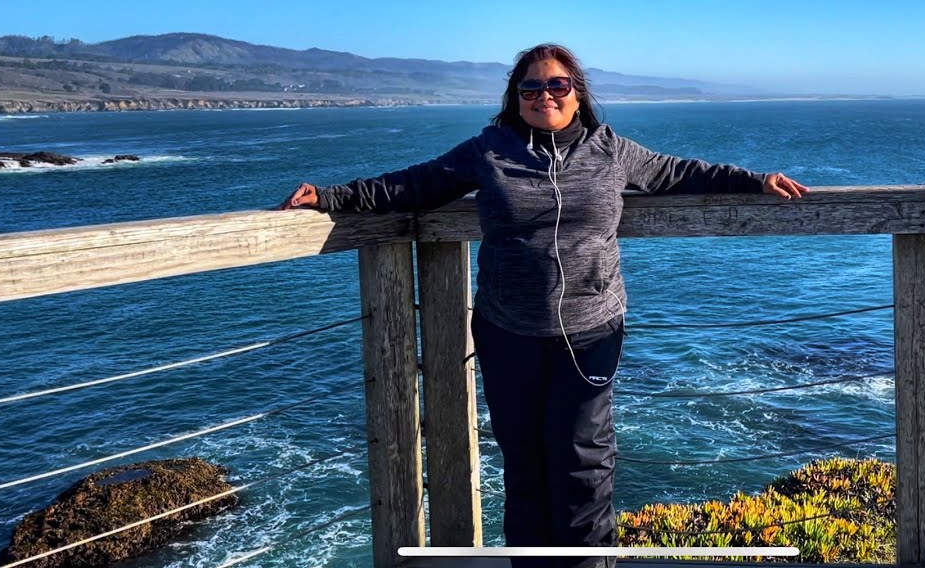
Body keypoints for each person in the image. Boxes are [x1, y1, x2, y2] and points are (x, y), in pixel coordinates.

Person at [280, 44, 810, 568]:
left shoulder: (611, 150)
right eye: (530, 87)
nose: (544, 95)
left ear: (578, 94)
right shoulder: (489, 150)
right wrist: (331, 197)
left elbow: (680, 173)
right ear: (516, 97)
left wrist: (755, 181)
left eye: (557, 85)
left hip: (592, 329)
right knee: (524, 459)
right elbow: (414, 185)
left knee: (584, 459)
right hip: (507, 330)